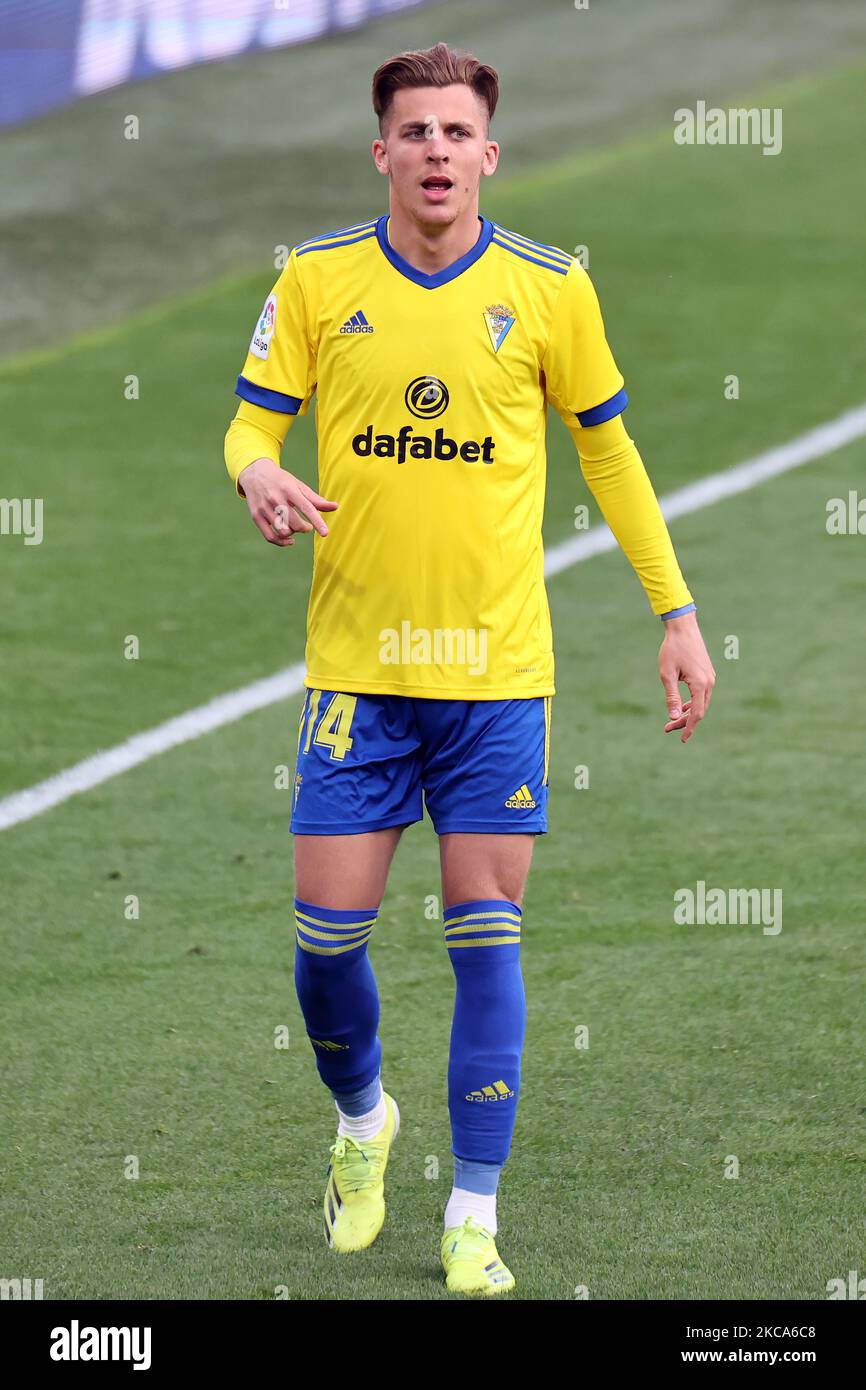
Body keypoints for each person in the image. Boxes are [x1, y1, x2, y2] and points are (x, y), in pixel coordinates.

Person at [224, 40, 715, 1297]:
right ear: (379, 151)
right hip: (359, 673)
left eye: (457, 133)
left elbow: (608, 455)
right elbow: (250, 420)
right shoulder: (318, 278)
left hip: (497, 679)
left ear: (488, 154)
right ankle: (361, 1124)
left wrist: (675, 612)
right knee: (322, 949)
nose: (436, 151)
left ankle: (472, 1214)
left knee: (483, 943)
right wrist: (254, 469)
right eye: (415, 132)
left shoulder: (551, 290)